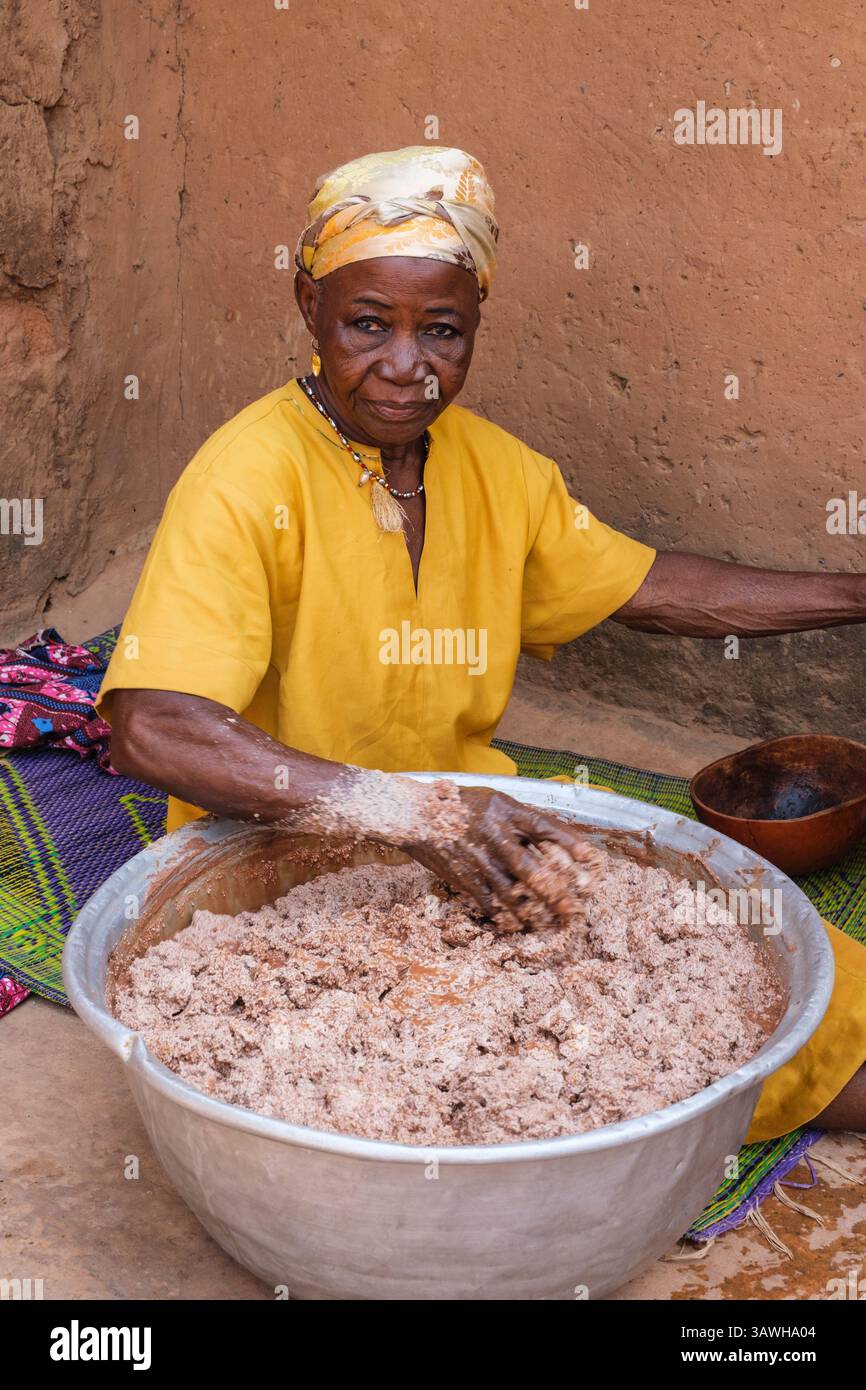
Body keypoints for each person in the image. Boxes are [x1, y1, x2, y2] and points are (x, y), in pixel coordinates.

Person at [98, 144, 866, 1138]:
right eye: (368, 324)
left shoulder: (492, 469)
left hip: (488, 842)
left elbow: (657, 588)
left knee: (790, 982)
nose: (406, 366)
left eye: (443, 332)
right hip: (282, 871)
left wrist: (855, 591)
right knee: (453, 1089)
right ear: (307, 305)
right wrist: (404, 808)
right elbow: (153, 728)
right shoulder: (244, 478)